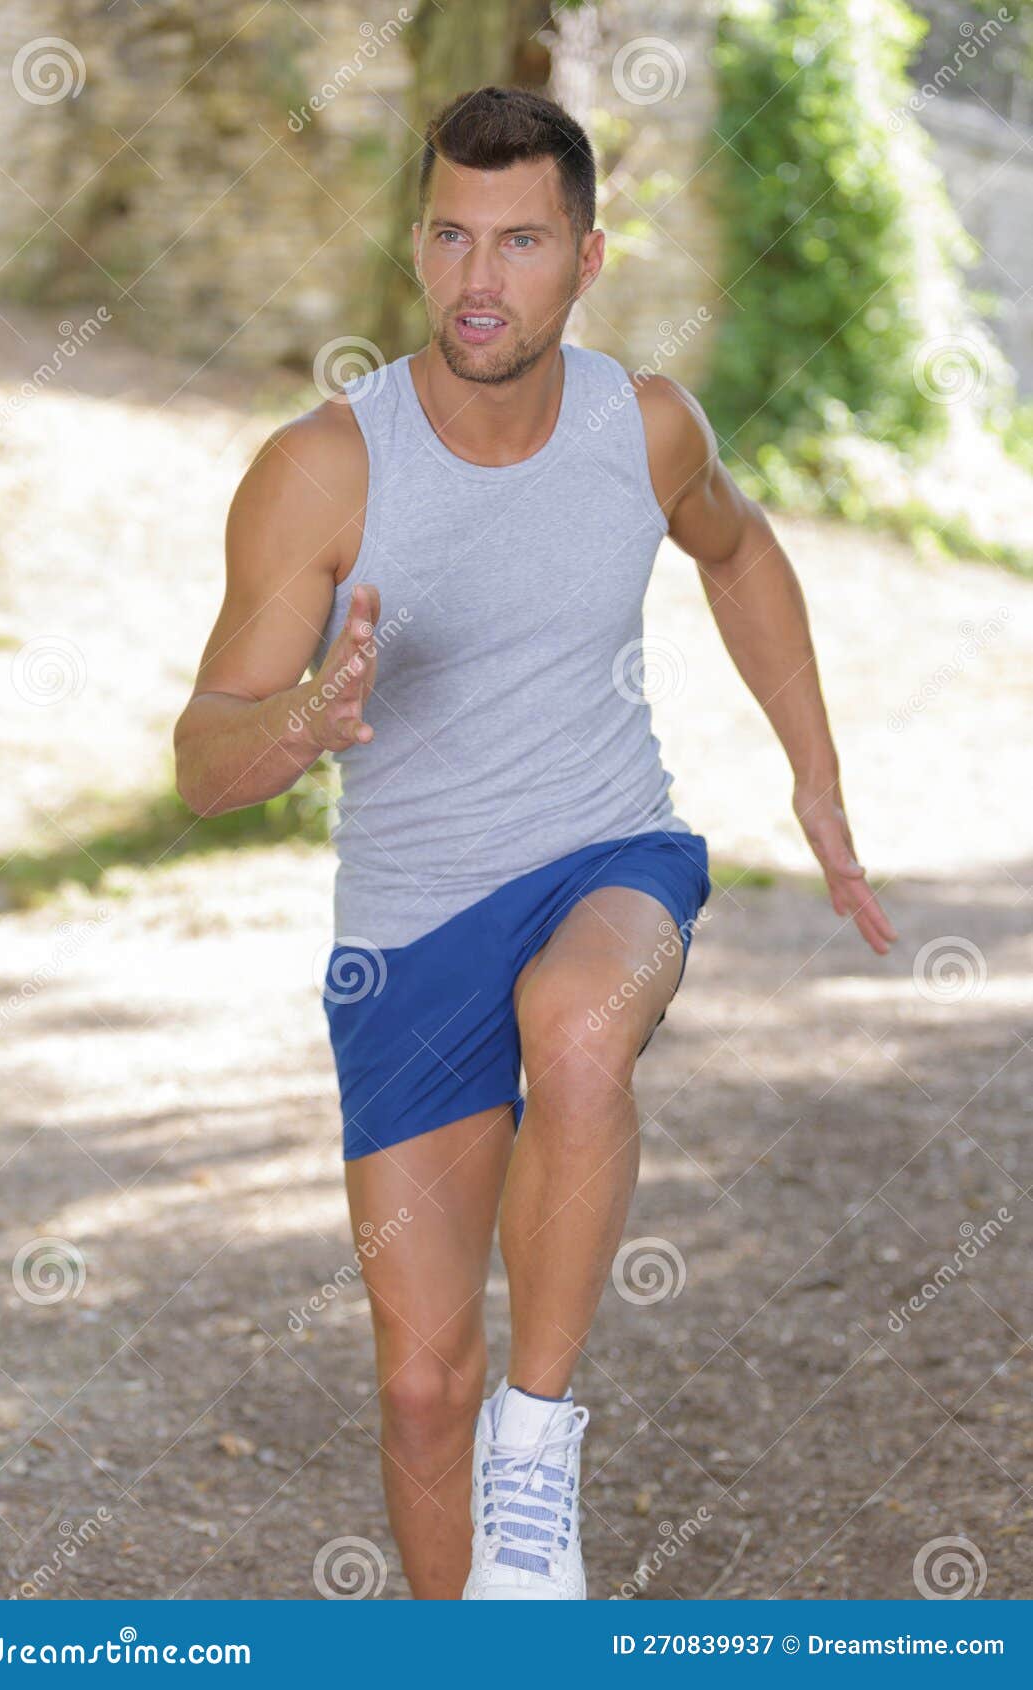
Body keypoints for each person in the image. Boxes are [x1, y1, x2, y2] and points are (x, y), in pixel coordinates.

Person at [173, 84, 896, 1601]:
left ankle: (539, 1439)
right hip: (409, 927)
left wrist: (815, 776)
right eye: (451, 236)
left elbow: (740, 551)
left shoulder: (645, 427)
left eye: (521, 241)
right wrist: (302, 719)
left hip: (607, 854)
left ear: (588, 257)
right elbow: (202, 758)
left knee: (575, 1025)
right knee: (420, 1383)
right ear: (416, 244)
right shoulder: (321, 469)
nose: (480, 279)